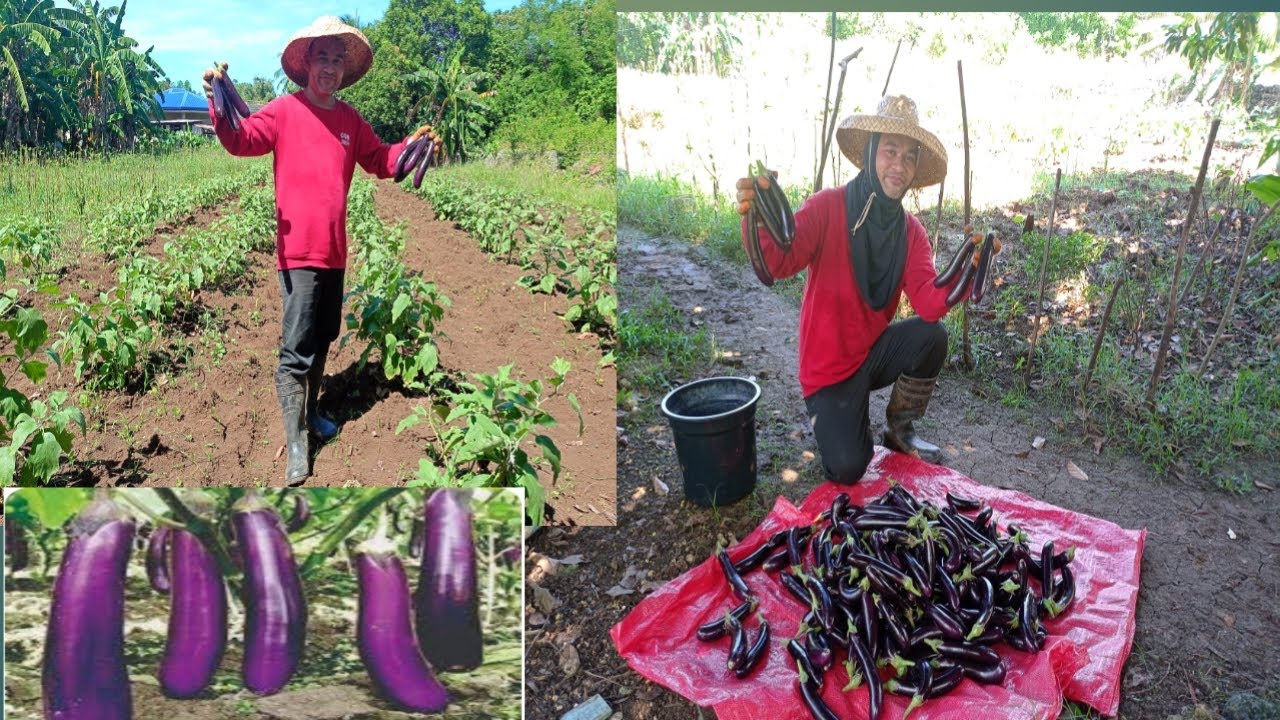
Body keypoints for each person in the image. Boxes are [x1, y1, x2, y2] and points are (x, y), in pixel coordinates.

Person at [202, 16, 443, 485]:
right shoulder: (283, 112)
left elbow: (383, 160)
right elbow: (240, 139)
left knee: (324, 339)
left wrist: (415, 146)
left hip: (335, 253)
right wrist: (217, 98)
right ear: (307, 63)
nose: (329, 67)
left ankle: (310, 415)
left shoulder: (350, 120)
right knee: (296, 351)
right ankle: (297, 443)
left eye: (337, 60)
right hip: (297, 254)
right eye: (323, 58)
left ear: (343, 69)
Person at [735, 94, 973, 485]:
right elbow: (778, 264)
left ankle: (900, 431)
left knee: (932, 336)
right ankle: (838, 416)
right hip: (828, 371)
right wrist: (757, 219)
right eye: (890, 151)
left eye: (910, 156)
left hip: (869, 355)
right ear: (870, 153)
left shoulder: (911, 232)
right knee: (849, 468)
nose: (899, 165)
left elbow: (929, 305)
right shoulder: (828, 207)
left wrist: (968, 268)